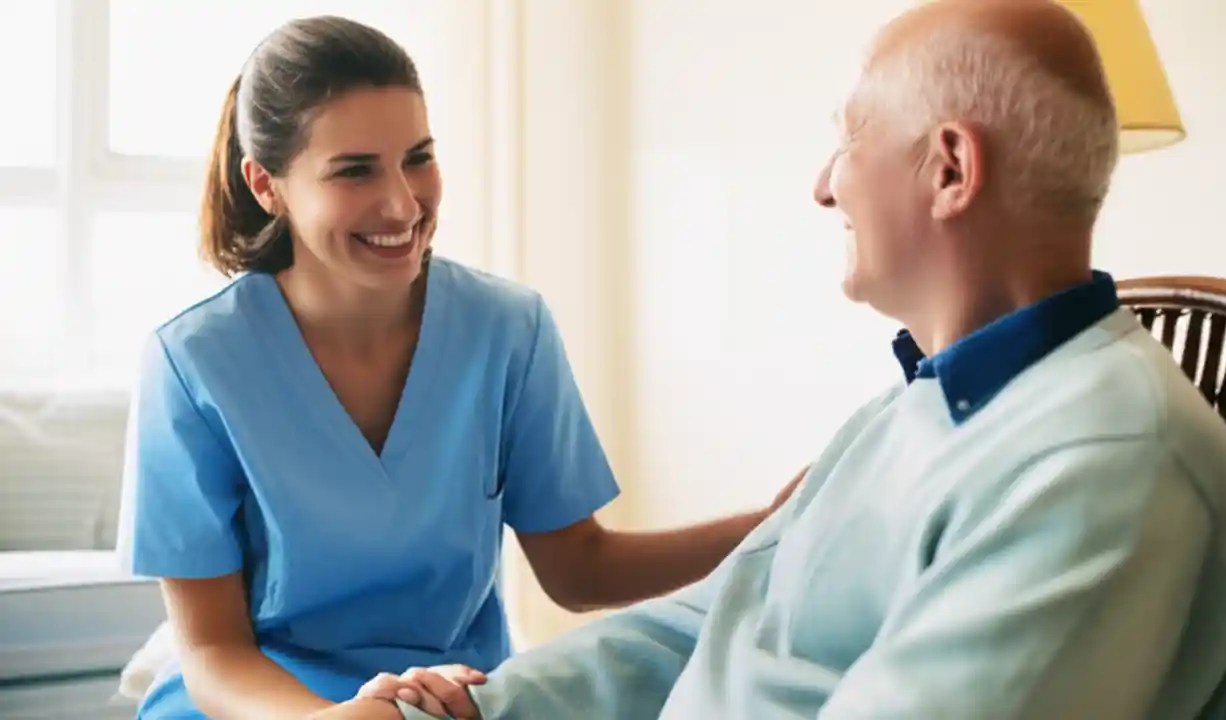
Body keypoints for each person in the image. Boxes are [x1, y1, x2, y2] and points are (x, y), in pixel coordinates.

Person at [377, 1, 1226, 718]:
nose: (823, 183)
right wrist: (463, 712)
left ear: (950, 168)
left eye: (850, 136)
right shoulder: (913, 408)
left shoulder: (1108, 466)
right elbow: (703, 625)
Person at [115, 15, 802, 720]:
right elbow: (212, 653)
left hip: (452, 698)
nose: (403, 203)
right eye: (355, 170)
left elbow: (579, 568)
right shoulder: (194, 363)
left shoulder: (506, 330)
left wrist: (777, 522)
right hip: (262, 706)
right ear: (267, 185)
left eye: (418, 157)